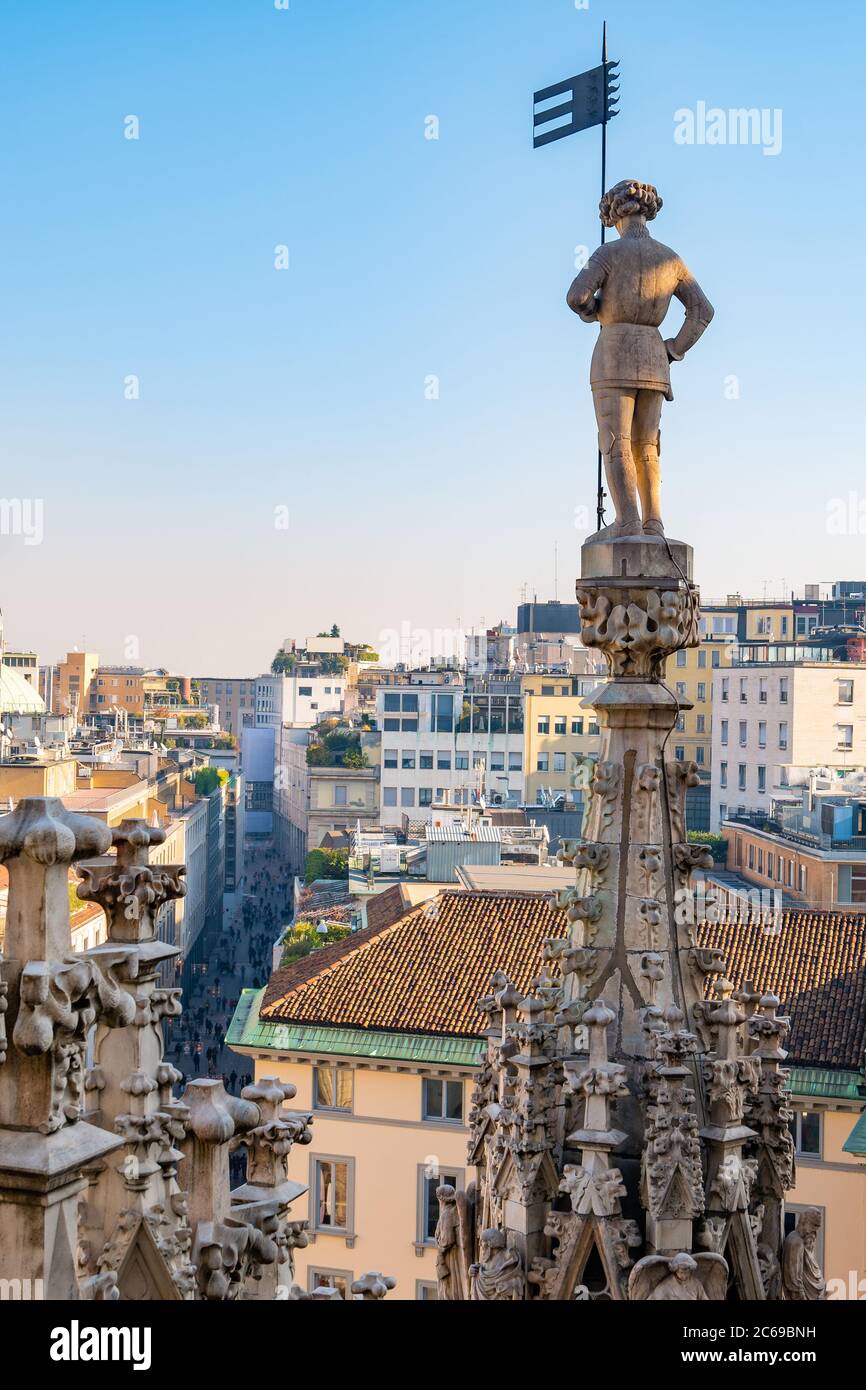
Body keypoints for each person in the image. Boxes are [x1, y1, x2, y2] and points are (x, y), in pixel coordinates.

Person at [566, 179, 713, 538]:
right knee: (647, 444)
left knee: (615, 441)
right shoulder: (670, 259)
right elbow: (703, 311)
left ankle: (628, 520)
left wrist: (594, 311)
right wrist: (674, 347)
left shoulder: (608, 254)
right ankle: (654, 521)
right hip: (653, 357)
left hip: (614, 351)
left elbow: (576, 296)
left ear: (613, 213)